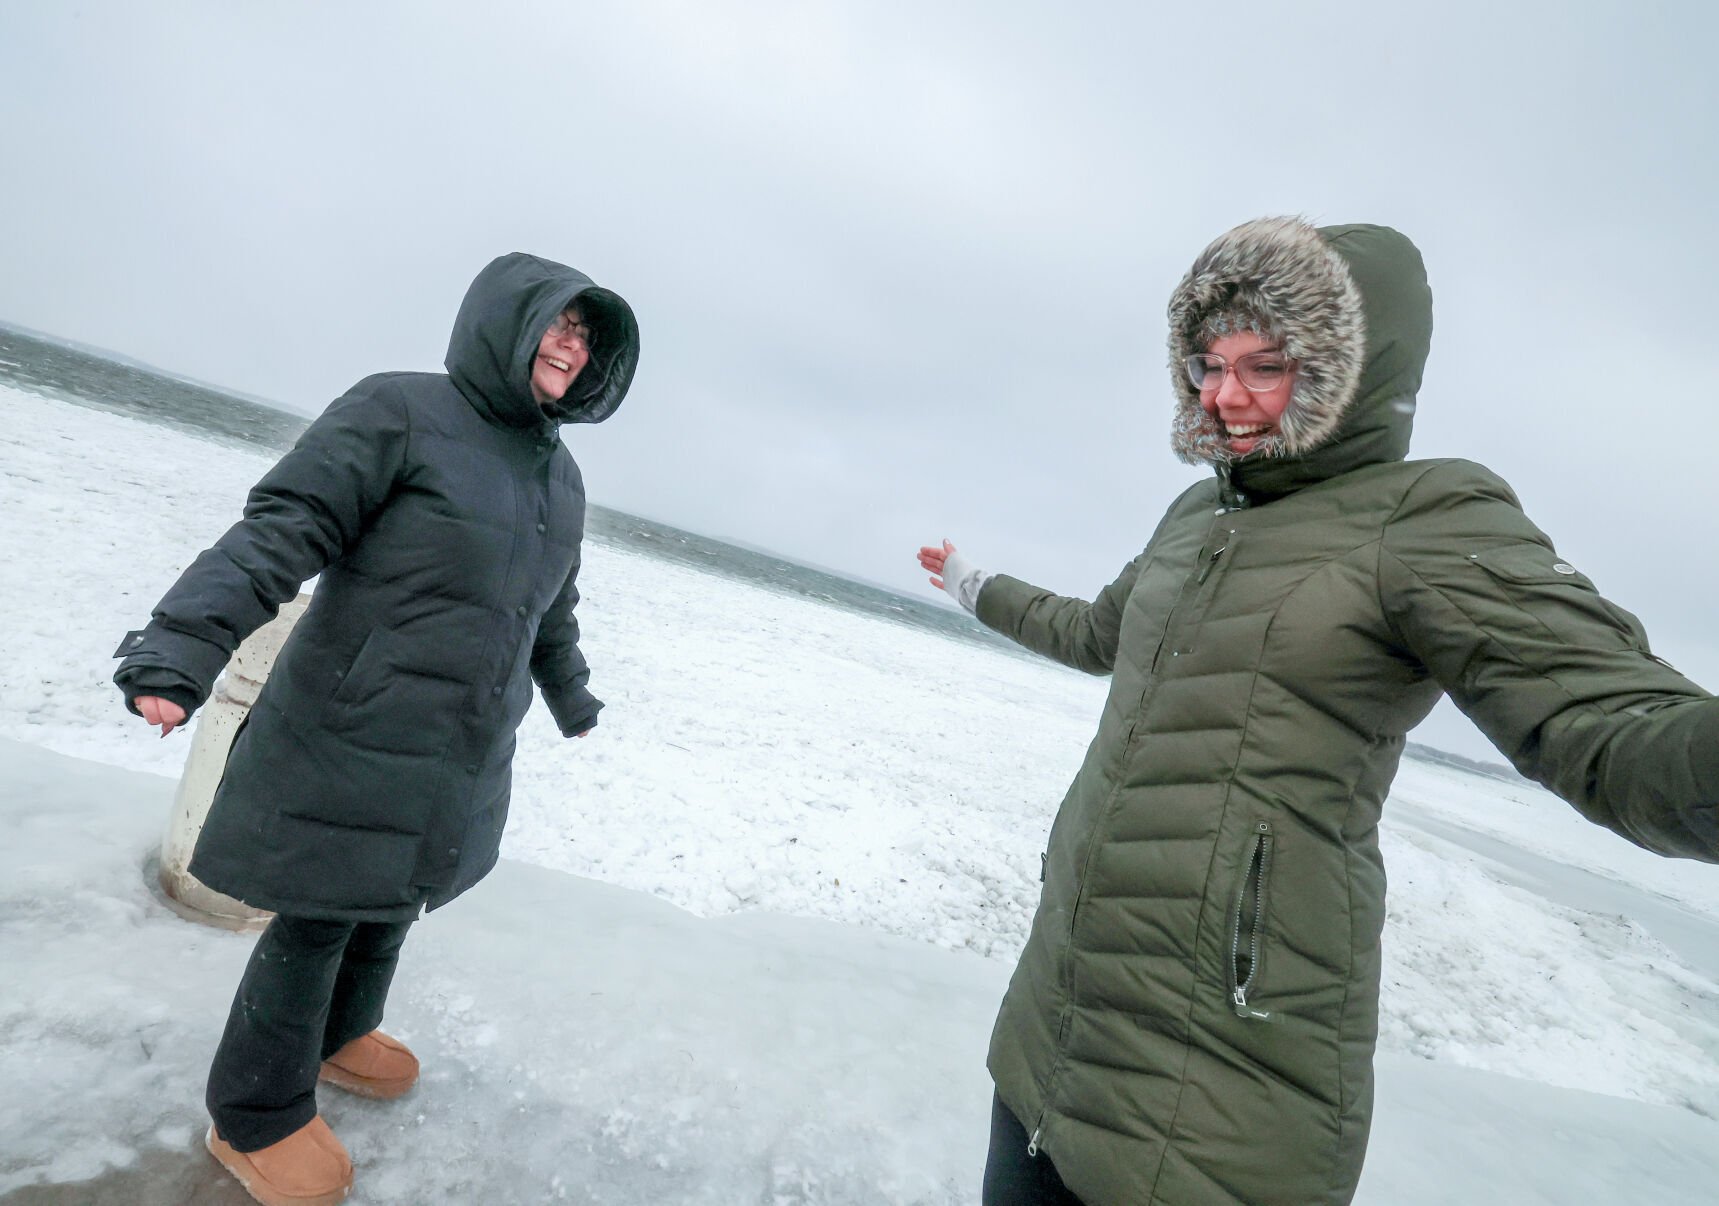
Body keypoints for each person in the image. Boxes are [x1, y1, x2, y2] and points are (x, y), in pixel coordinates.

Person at [917, 216, 1718, 1206]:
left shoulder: (1425, 516)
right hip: (1050, 1041)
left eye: (1267, 364)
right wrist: (972, 582)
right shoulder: (1193, 519)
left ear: (1352, 368)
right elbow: (1092, 631)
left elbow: (1608, 729)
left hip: (1217, 1095)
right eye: (1209, 363)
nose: (1224, 394)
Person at [114, 252, 639, 1205]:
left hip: (464, 744)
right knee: (318, 915)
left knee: (395, 901)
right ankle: (255, 1116)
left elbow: (547, 607)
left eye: (589, 336)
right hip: (351, 725)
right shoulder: (400, 410)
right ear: (506, 323)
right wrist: (179, 648)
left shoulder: (558, 477)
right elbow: (285, 527)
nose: (573, 344)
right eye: (561, 322)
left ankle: (342, 1038)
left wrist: (572, 696)